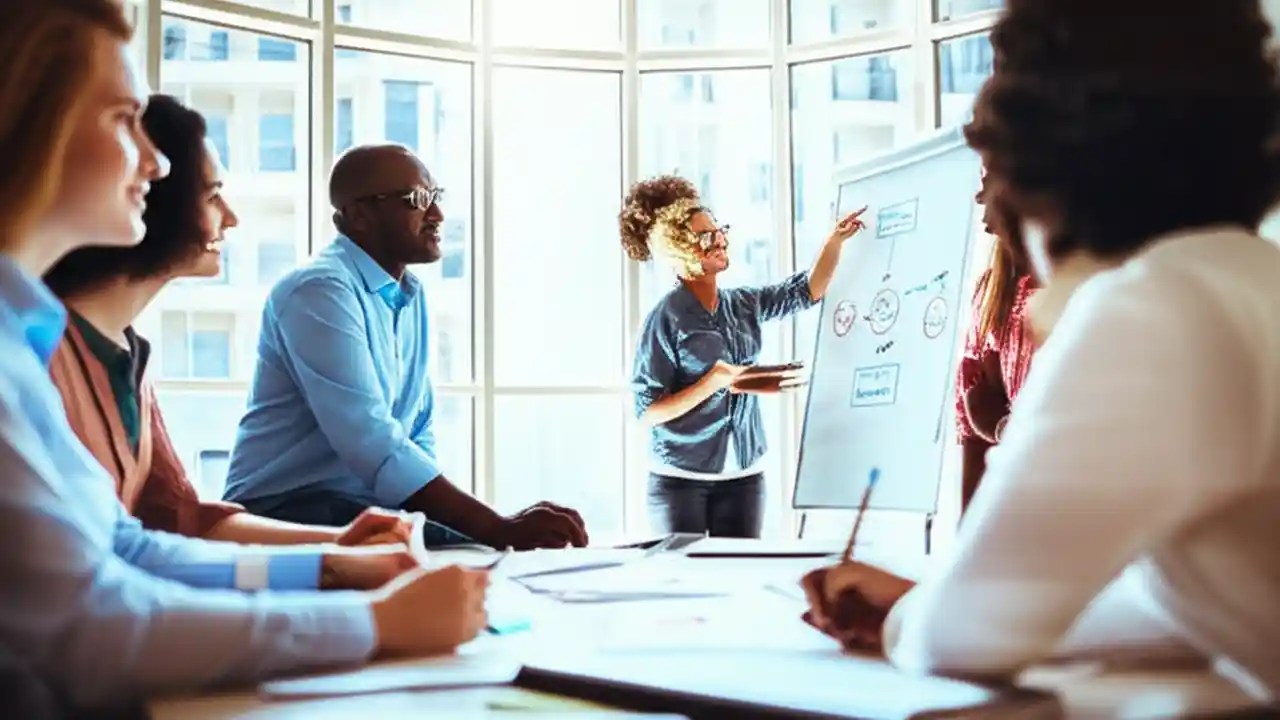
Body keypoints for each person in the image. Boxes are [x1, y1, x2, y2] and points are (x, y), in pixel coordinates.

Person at [0, 2, 486, 712]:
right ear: (27, 124)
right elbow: (88, 623)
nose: (156, 162)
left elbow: (136, 543)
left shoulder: (34, 341)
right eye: (119, 118)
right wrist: (372, 620)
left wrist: (332, 563)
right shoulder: (36, 354)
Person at [802, 0, 1280, 700]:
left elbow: (959, 639)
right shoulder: (1253, 280)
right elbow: (1184, 610)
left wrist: (920, 615)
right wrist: (922, 602)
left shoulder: (1147, 310)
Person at [43, 94, 418, 573]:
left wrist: (342, 544)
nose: (232, 216)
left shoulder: (127, 354)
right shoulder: (45, 352)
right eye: (212, 194)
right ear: (154, 196)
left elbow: (182, 518)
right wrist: (331, 575)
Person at [223, 143, 589, 550]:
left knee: (482, 553)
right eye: (417, 200)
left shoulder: (407, 295)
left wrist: (486, 526)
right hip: (284, 510)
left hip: (359, 506)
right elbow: (372, 440)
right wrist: (497, 527)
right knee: (480, 550)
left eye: (435, 197)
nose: (437, 215)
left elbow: (415, 429)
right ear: (359, 216)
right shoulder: (319, 291)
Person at [623, 175, 864, 538]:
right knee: (684, 587)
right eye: (707, 236)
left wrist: (834, 240)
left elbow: (805, 291)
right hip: (679, 482)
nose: (720, 240)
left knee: (740, 579)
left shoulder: (742, 304)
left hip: (744, 478)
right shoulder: (666, 317)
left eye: (719, 230)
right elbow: (648, 411)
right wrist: (714, 381)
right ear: (681, 249)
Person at [954, 173, 1037, 512]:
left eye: (990, 175)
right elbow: (976, 429)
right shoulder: (991, 292)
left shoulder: (1094, 293)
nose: (979, 196)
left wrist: (1002, 427)